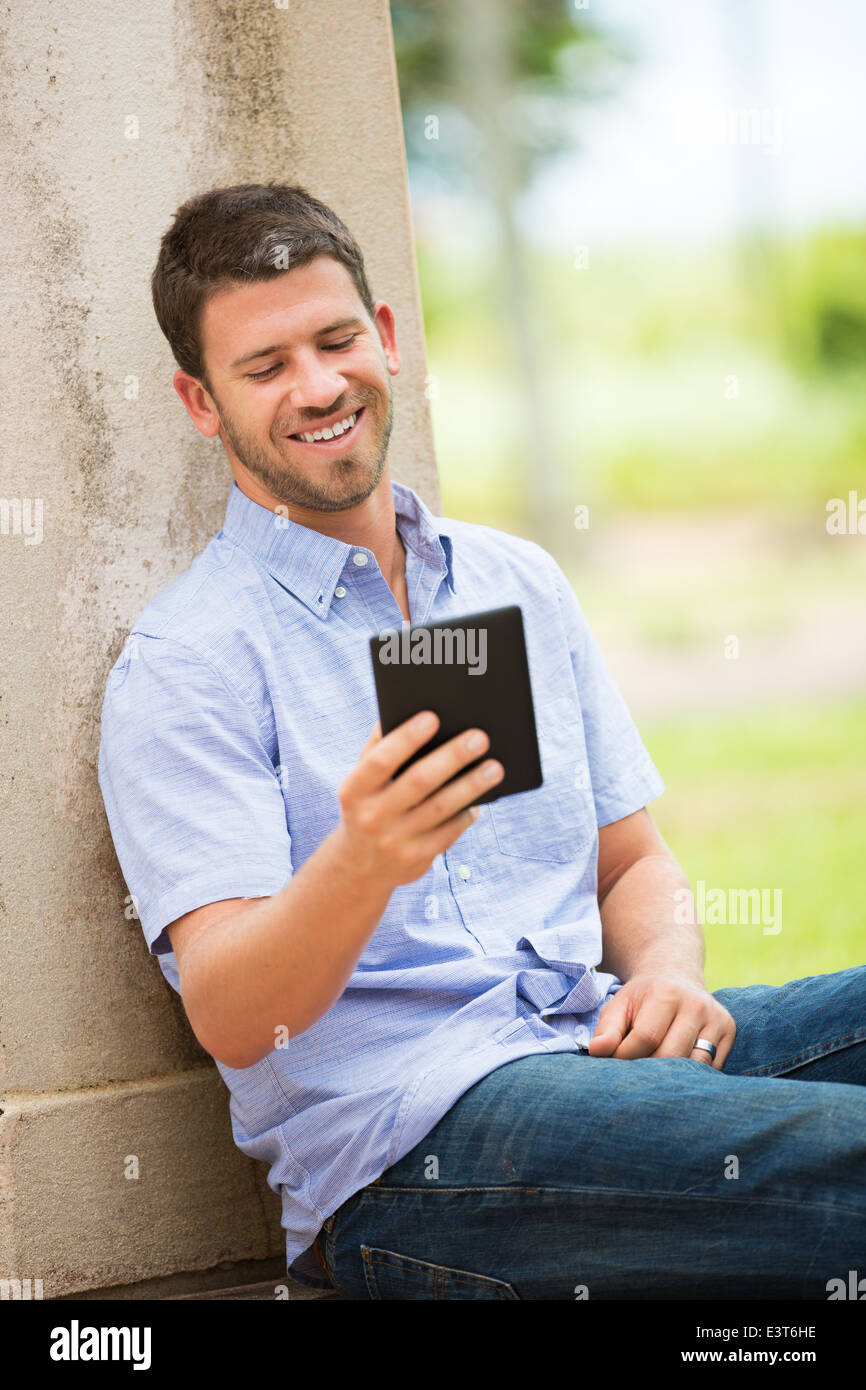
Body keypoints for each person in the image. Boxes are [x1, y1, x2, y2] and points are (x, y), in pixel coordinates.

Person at [98, 182, 866, 1301]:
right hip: (417, 1150)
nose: (318, 387)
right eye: (265, 368)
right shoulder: (187, 661)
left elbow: (630, 860)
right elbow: (232, 1012)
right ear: (200, 402)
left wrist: (663, 973)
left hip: (592, 1047)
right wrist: (362, 857)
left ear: (387, 337)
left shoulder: (513, 581)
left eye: (335, 339)